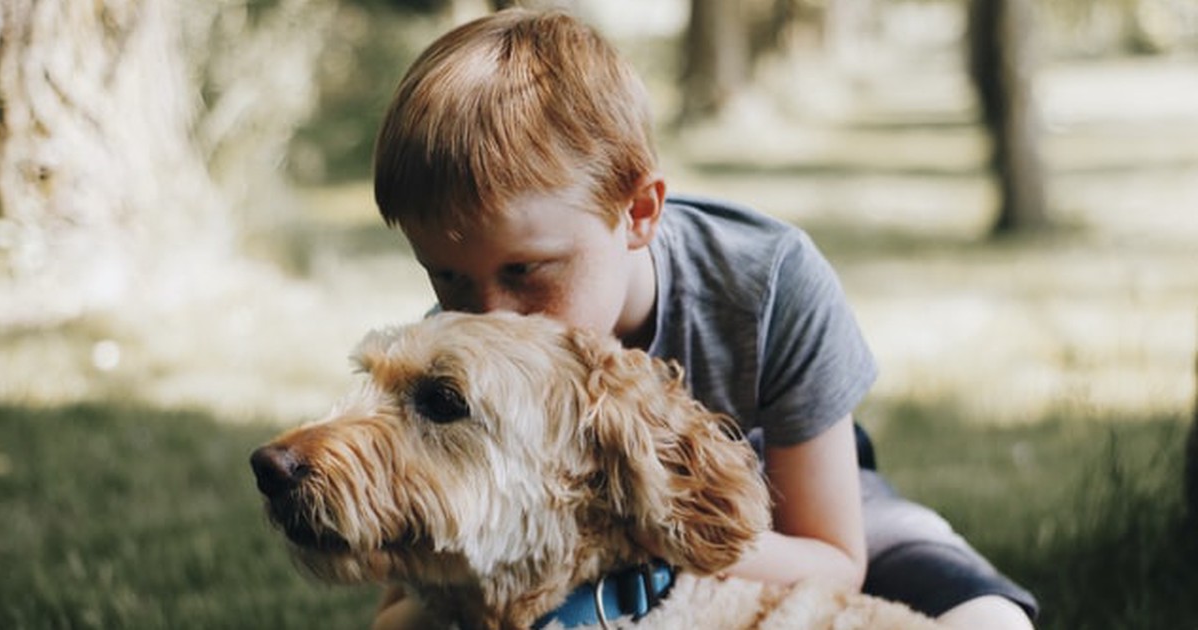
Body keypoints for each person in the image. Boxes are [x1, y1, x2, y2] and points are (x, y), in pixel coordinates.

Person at [368, 7, 1038, 630]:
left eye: (525, 272)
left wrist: (631, 546)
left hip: (797, 519)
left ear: (638, 213)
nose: (490, 316)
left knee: (991, 620)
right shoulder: (460, 351)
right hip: (572, 554)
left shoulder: (768, 282)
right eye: (448, 277)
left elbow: (836, 558)